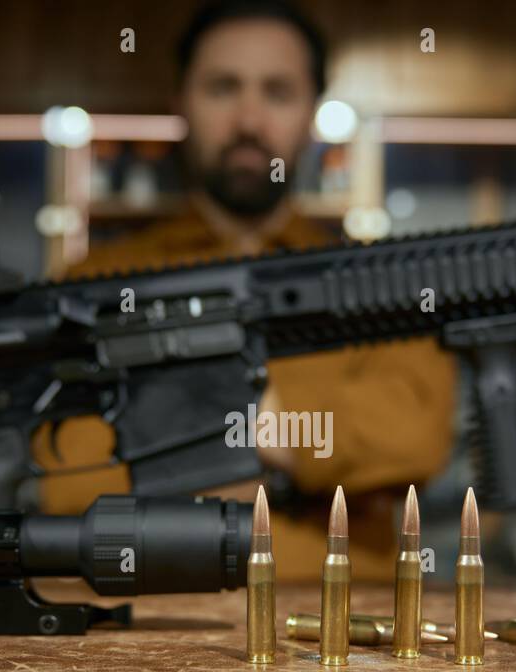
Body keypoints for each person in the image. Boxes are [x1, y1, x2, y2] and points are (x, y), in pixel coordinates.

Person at [33, 0, 457, 580]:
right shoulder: (90, 289)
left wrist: (191, 448)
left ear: (311, 112)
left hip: (353, 636)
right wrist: (299, 466)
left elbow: (414, 438)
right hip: (139, 637)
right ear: (180, 104)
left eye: (277, 92)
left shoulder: (378, 283)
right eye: (223, 88)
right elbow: (69, 484)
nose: (249, 121)